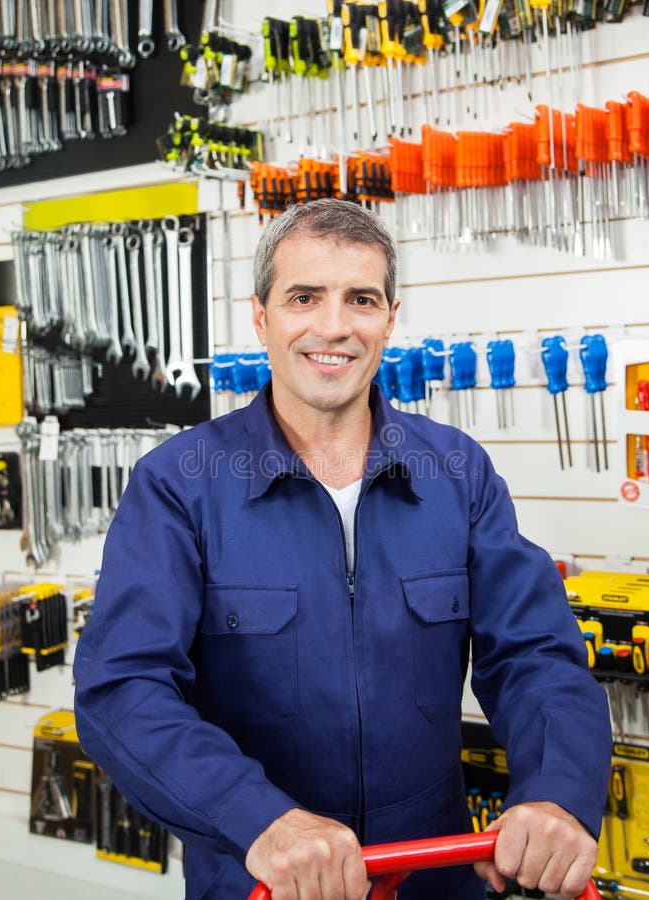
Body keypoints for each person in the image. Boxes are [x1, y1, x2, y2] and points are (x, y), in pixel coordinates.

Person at [73, 198, 612, 900]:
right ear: (262, 317)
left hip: (433, 873)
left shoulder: (457, 471)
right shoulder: (179, 484)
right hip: (262, 875)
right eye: (304, 297)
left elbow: (536, 654)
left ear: (389, 319)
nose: (333, 326)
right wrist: (261, 821)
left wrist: (557, 793)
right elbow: (122, 690)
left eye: (360, 299)